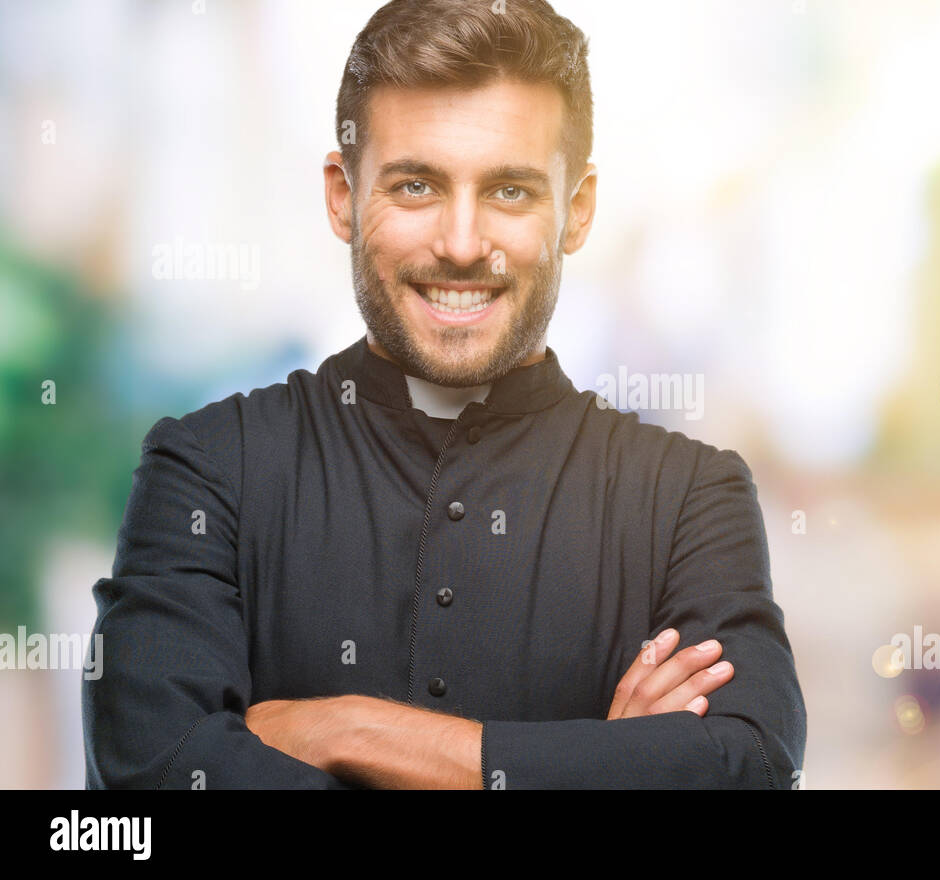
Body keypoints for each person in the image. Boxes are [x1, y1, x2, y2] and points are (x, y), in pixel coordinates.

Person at [83, 0, 806, 789]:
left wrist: (344, 728)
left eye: (510, 192)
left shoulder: (688, 500)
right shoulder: (208, 470)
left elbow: (749, 767)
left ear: (578, 210)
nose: (462, 244)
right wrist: (600, 769)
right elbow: (147, 791)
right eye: (417, 185)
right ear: (341, 195)